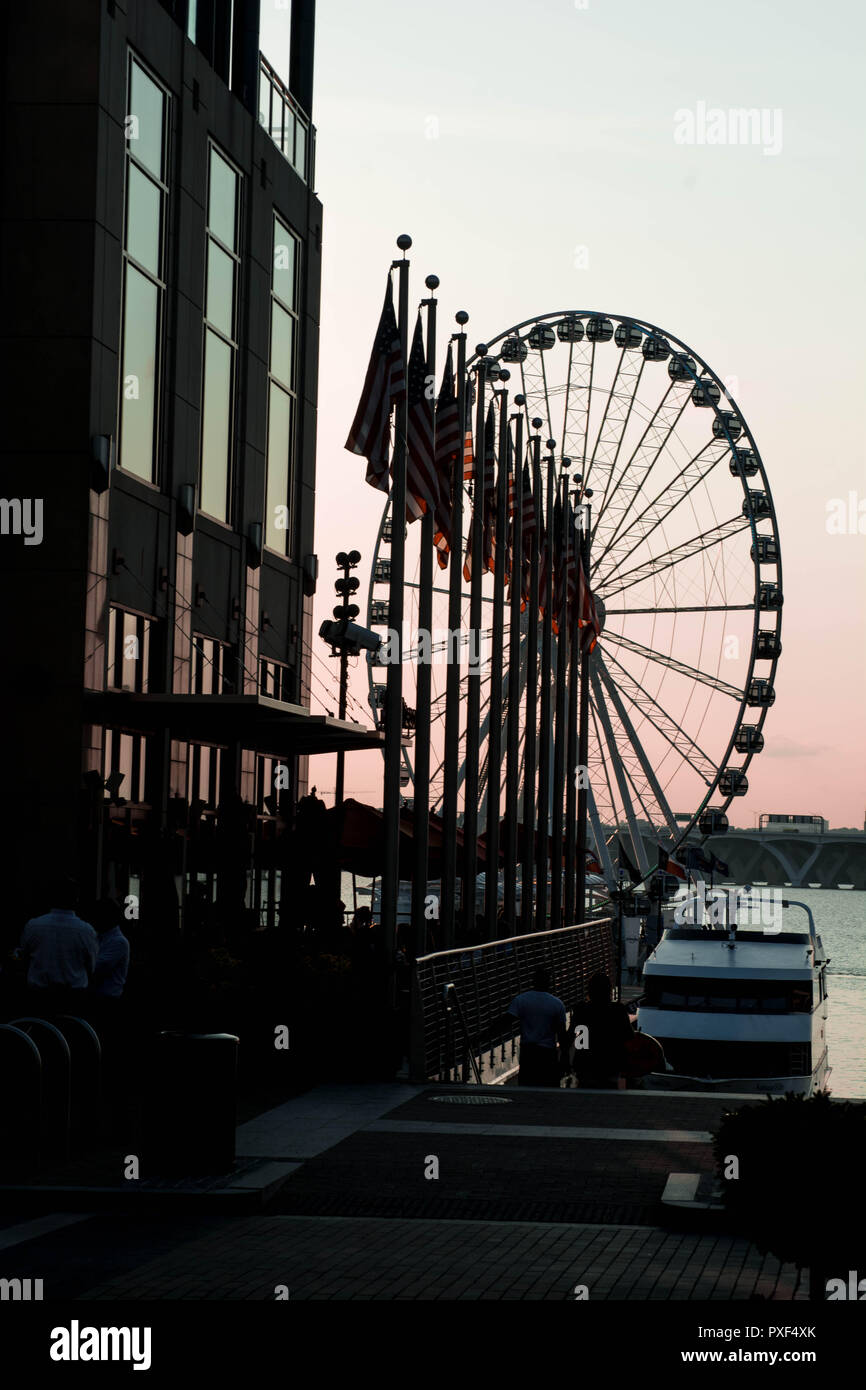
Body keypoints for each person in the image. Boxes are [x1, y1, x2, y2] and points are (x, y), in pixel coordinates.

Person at [18, 875, 98, 1016]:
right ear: (76, 899)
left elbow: (24, 957)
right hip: (74, 998)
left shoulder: (33, 925)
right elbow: (91, 965)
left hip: (38, 998)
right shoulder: (87, 930)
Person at [501, 966, 569, 1087]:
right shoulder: (557, 1004)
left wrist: (483, 1037)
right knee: (549, 1089)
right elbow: (562, 1034)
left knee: (527, 1088)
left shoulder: (521, 1000)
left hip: (529, 1053)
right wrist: (565, 1057)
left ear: (533, 981)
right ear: (549, 982)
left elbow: (505, 1022)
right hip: (548, 1054)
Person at [569, 972, 634, 1089]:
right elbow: (628, 1035)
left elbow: (573, 1035)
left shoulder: (580, 1009)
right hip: (611, 1063)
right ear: (609, 990)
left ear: (590, 990)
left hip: (586, 1064)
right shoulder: (618, 1010)